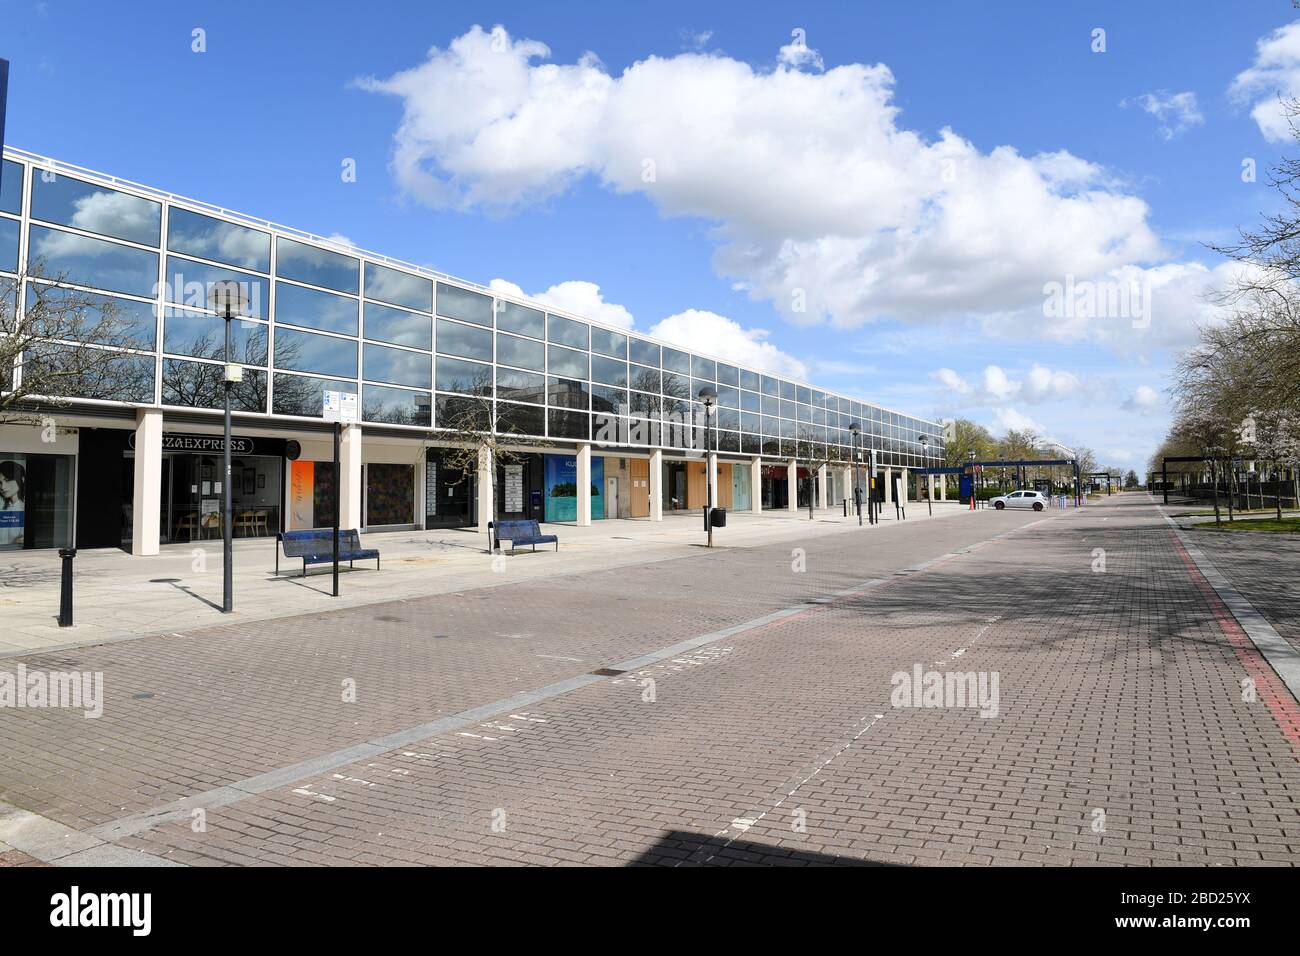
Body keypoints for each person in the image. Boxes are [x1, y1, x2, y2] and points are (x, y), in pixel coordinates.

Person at [0, 459, 26, 548]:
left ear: (21, 479)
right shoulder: (3, 507)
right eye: (0, 482)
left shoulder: (24, 507)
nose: (2, 487)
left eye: (7, 480)